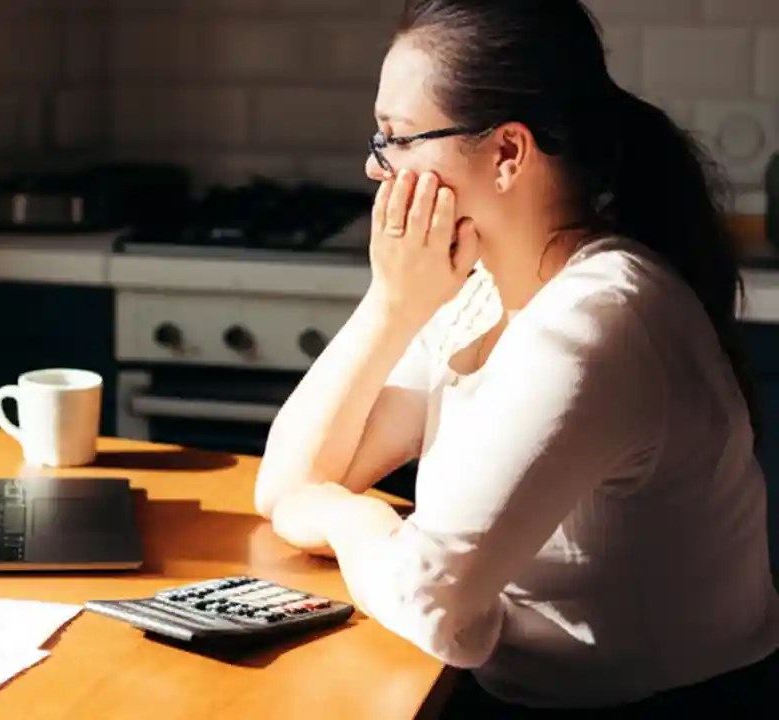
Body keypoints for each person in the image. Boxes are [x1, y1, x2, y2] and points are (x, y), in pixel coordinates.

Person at [253, 0, 779, 714]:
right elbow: (289, 483)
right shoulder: (478, 291)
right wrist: (391, 305)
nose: (377, 169)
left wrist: (352, 519)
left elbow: (431, 599)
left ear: (507, 154)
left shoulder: (601, 319)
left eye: (397, 139)